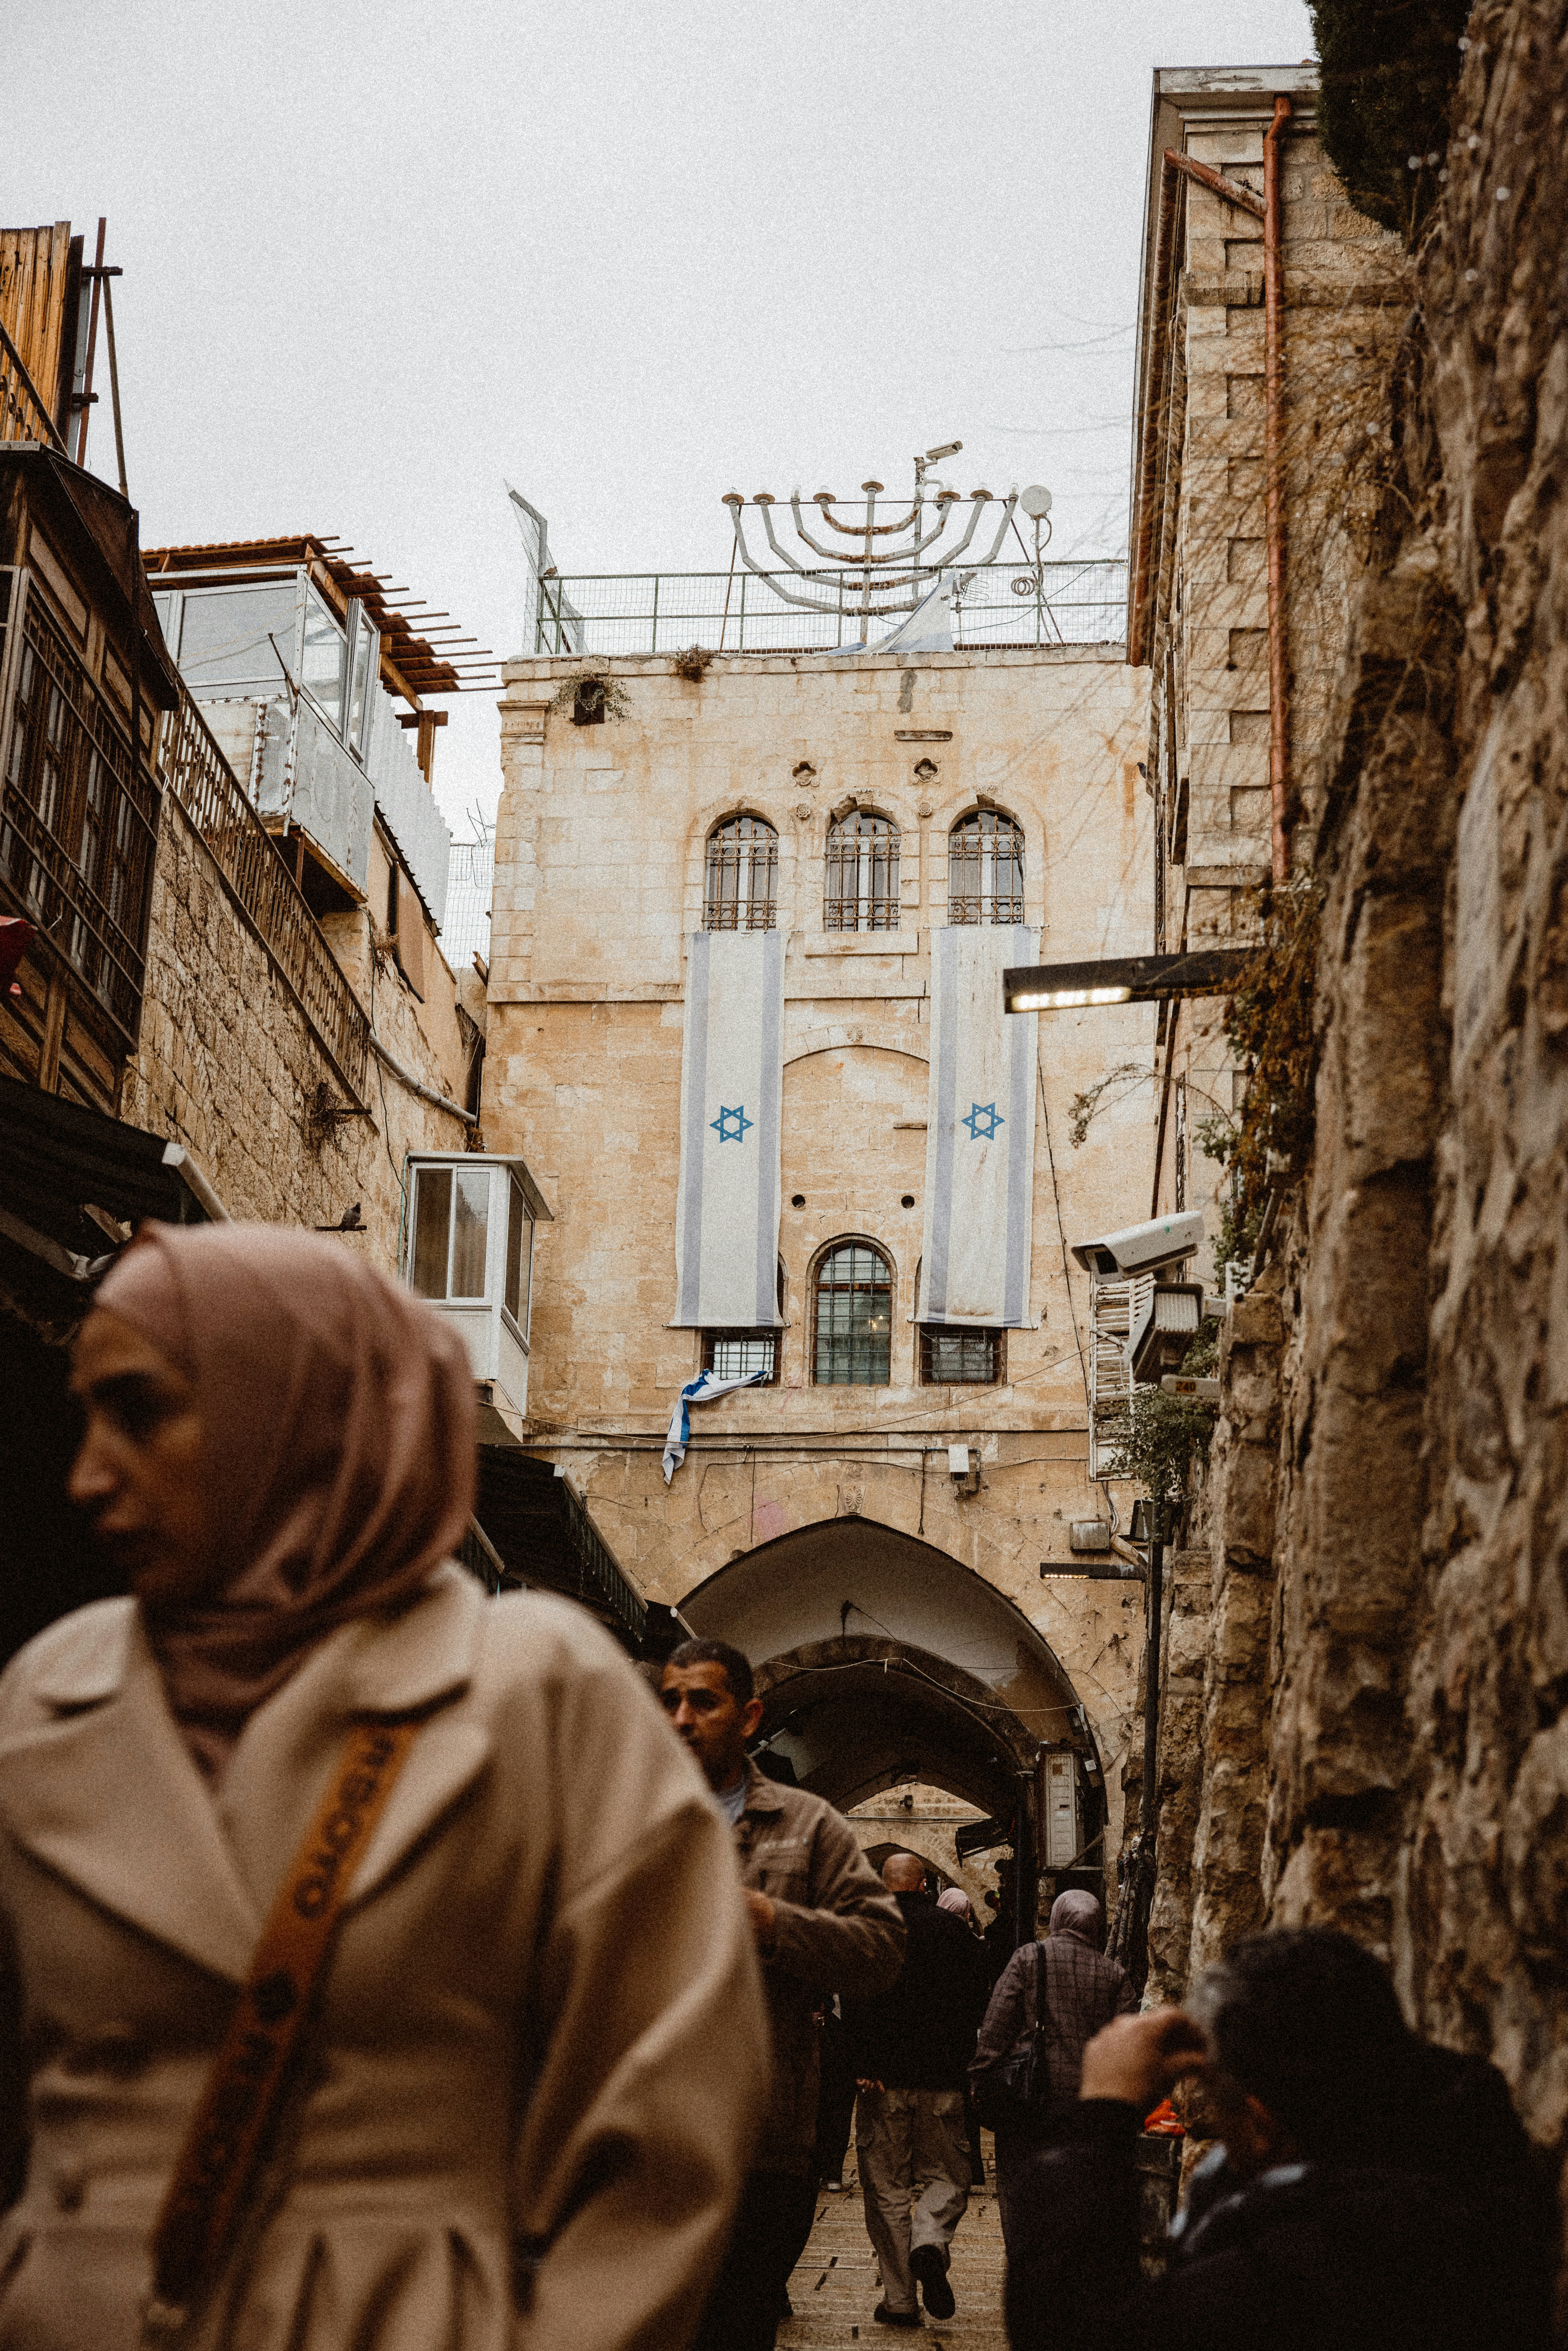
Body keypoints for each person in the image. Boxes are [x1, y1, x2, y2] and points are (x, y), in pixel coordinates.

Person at [0, 1223, 769, 2351]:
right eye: (89, 1416)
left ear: (293, 1411)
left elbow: (668, 2121)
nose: (89, 1471)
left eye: (142, 1409)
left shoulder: (533, 1687)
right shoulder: (50, 1690)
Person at [1004, 1926, 1556, 2351]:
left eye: (1215, 2099)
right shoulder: (1456, 2170)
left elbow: (1073, 2328)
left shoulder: (1317, 2269)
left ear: (1260, 2125)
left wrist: (1099, 2116)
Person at [661, 1640, 905, 2351]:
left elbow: (881, 1951)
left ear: (748, 1715)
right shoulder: (622, 1812)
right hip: (643, 2134)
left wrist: (775, 1924)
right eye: (670, 1700)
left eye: (702, 1701)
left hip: (761, 2139)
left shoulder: (805, 1826)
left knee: (734, 2328)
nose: (680, 1718)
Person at [845, 1855, 990, 2328]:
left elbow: (855, 1994)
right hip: (943, 2078)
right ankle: (929, 2236)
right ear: (924, 1882)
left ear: (882, 1884)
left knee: (885, 2188)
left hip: (881, 2081)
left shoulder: (869, 1927)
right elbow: (978, 2000)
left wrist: (862, 2063)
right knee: (948, 2176)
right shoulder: (954, 1933)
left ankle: (900, 2301)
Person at [970, 1887, 1134, 2239]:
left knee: (1019, 2195)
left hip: (1029, 2103)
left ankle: (1024, 2265)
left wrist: (981, 2076)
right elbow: (1125, 2046)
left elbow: (997, 2023)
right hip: (1085, 2110)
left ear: (1058, 1918)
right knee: (1075, 2200)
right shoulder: (1114, 1974)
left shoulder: (1029, 1957)